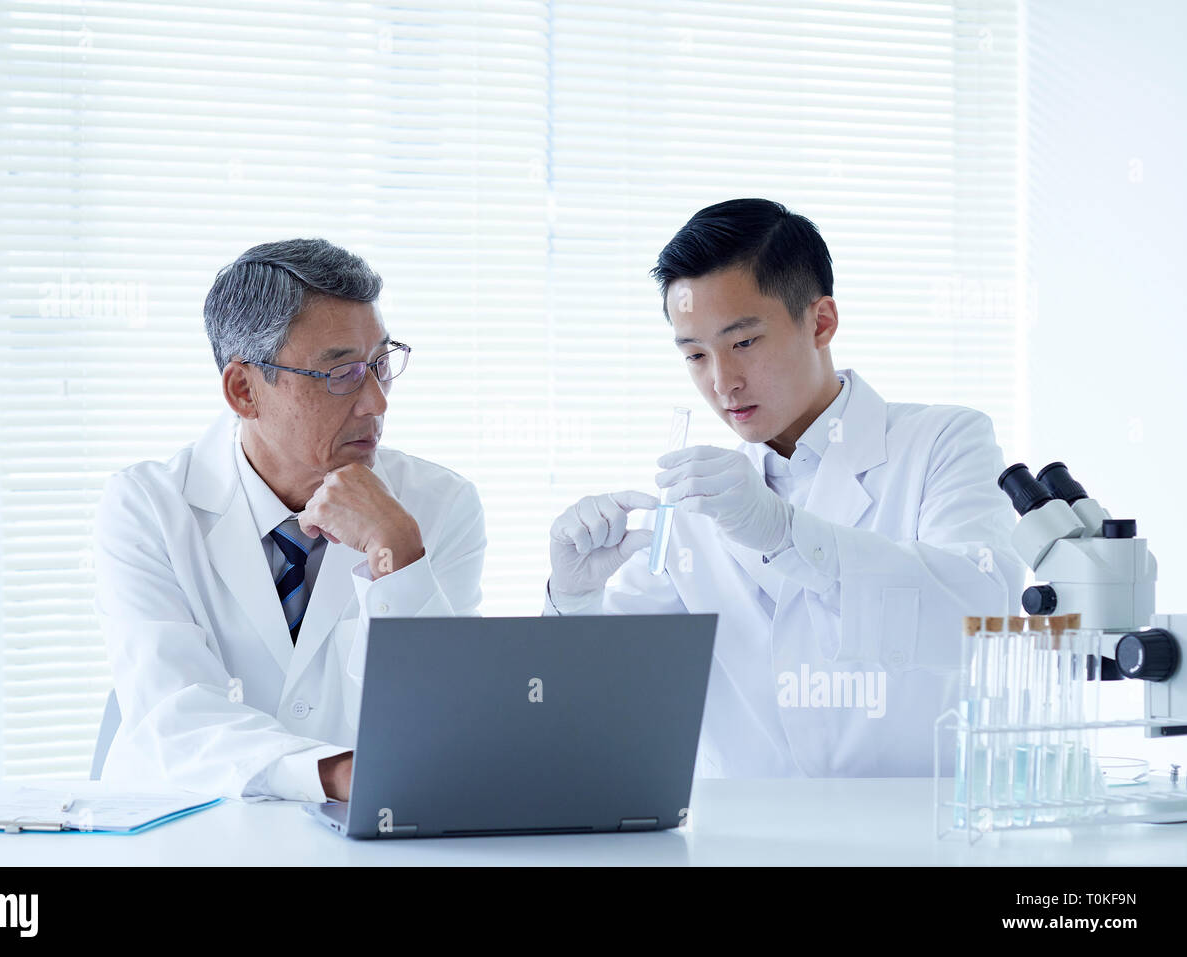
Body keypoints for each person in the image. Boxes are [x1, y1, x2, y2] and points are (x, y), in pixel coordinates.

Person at [544, 199, 1024, 777]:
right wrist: (572, 599)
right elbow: (606, 699)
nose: (722, 382)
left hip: (916, 831)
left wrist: (786, 533)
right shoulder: (695, 497)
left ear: (820, 322)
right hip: (744, 842)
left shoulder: (943, 441)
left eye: (743, 343)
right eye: (696, 355)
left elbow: (978, 614)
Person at [93, 239, 485, 802]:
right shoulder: (146, 507)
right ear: (244, 390)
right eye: (342, 373)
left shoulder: (439, 504)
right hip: (183, 828)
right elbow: (175, 717)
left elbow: (448, 725)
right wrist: (334, 774)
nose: (376, 402)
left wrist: (398, 553)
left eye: (380, 364)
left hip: (367, 840)